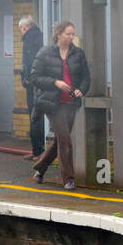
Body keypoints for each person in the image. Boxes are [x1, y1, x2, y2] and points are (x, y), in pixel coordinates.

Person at [30, 20, 91, 190]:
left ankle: (40, 168)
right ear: (58, 34)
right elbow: (34, 77)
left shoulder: (78, 54)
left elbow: (86, 77)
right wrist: (55, 82)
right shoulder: (45, 53)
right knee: (66, 140)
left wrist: (81, 90)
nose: (71, 37)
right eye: (68, 33)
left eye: (73, 34)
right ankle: (68, 179)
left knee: (59, 141)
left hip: (71, 102)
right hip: (52, 103)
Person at [19, 16, 45, 160]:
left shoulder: (29, 40)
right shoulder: (39, 37)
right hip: (39, 81)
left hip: (33, 84)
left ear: (25, 28)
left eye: (21, 30)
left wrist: (26, 79)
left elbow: (28, 63)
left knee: (35, 116)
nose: (21, 33)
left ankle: (38, 151)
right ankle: (38, 150)